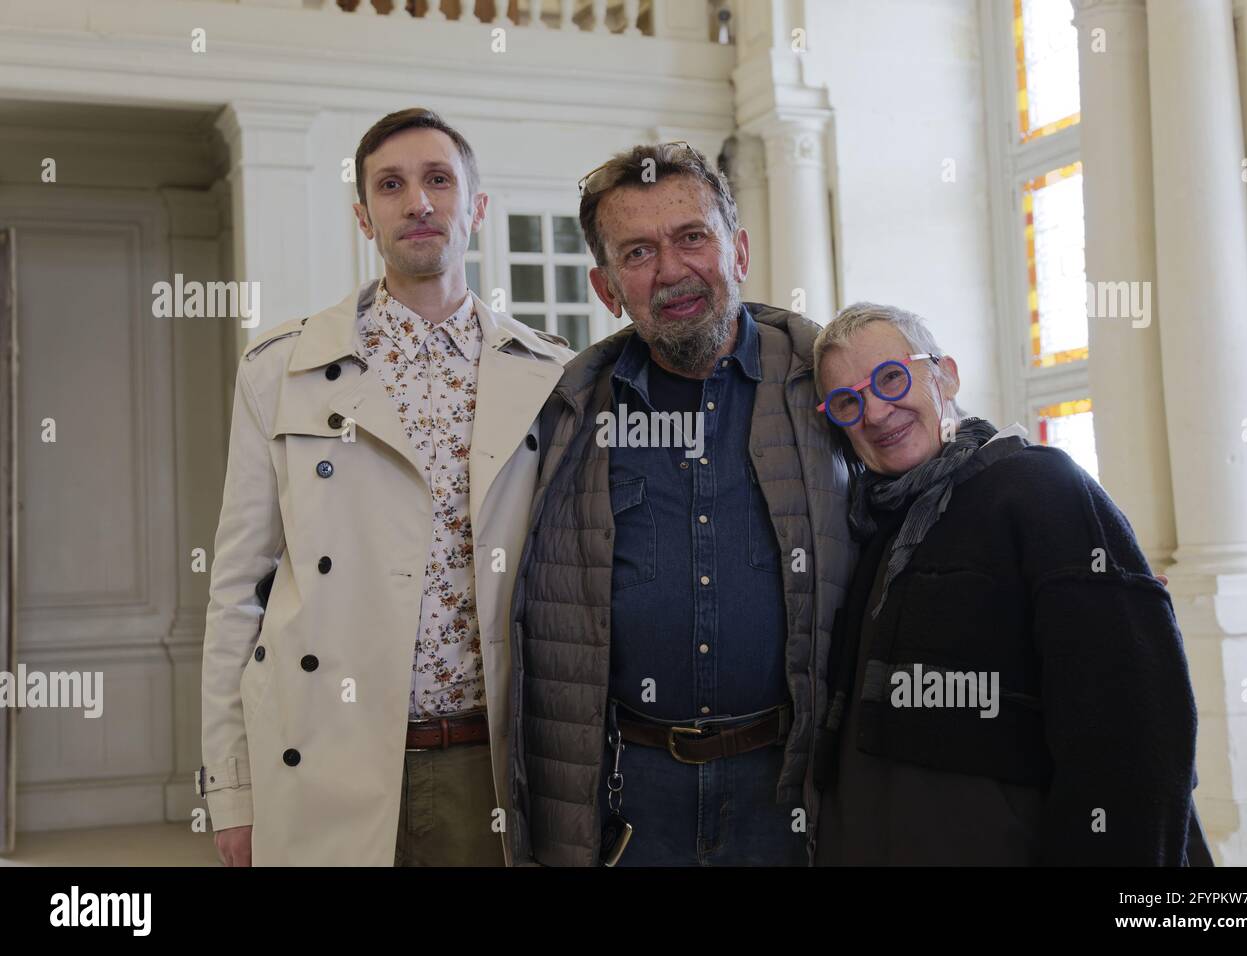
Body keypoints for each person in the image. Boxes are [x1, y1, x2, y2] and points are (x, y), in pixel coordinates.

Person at [199, 108, 570, 866]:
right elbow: (238, 588)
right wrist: (231, 791)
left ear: (477, 207)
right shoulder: (280, 369)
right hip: (323, 751)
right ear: (364, 217)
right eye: (392, 185)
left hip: (488, 758)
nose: (420, 202)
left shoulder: (551, 375)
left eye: (439, 180)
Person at [504, 142, 856, 866]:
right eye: (638, 252)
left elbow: (924, 450)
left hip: (790, 784)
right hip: (633, 791)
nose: (670, 270)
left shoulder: (827, 387)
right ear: (608, 289)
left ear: (739, 250)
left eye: (692, 237)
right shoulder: (561, 420)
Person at [810, 302, 1200, 865]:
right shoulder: (875, 528)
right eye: (848, 402)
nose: (874, 412)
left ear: (945, 374)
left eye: (890, 379)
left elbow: (1137, 727)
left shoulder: (1041, 489)